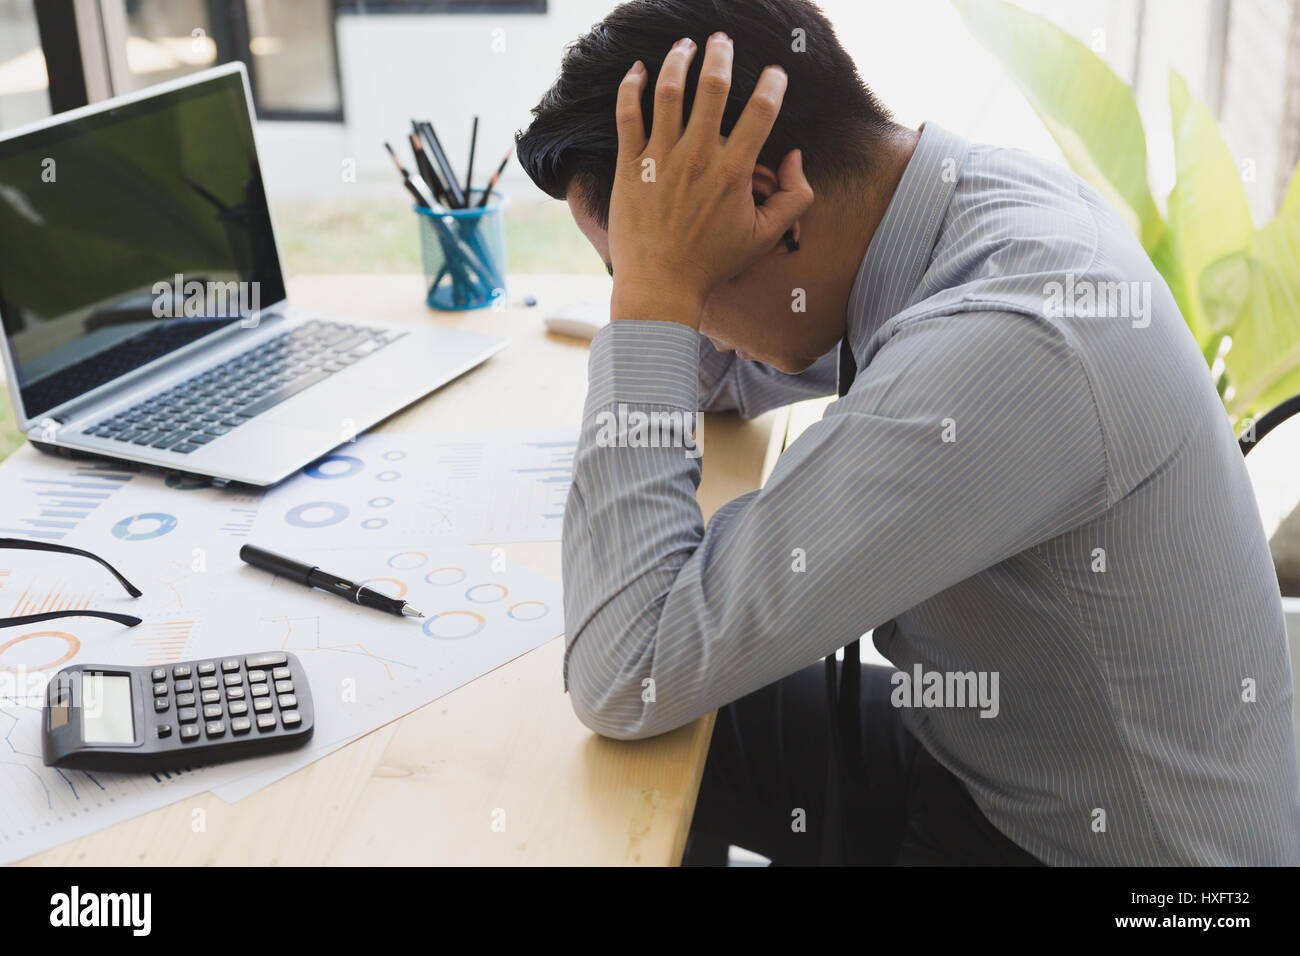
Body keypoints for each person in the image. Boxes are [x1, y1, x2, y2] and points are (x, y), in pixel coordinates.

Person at [515, 0, 1300, 865]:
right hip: (998, 747)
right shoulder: (938, 207)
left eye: (636, 265)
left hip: (1122, 868)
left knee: (629, 703)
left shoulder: (1010, 341)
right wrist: (669, 284)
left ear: (769, 199)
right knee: (645, 738)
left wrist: (658, 296)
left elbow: (629, 670)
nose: (651, 292)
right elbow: (731, 371)